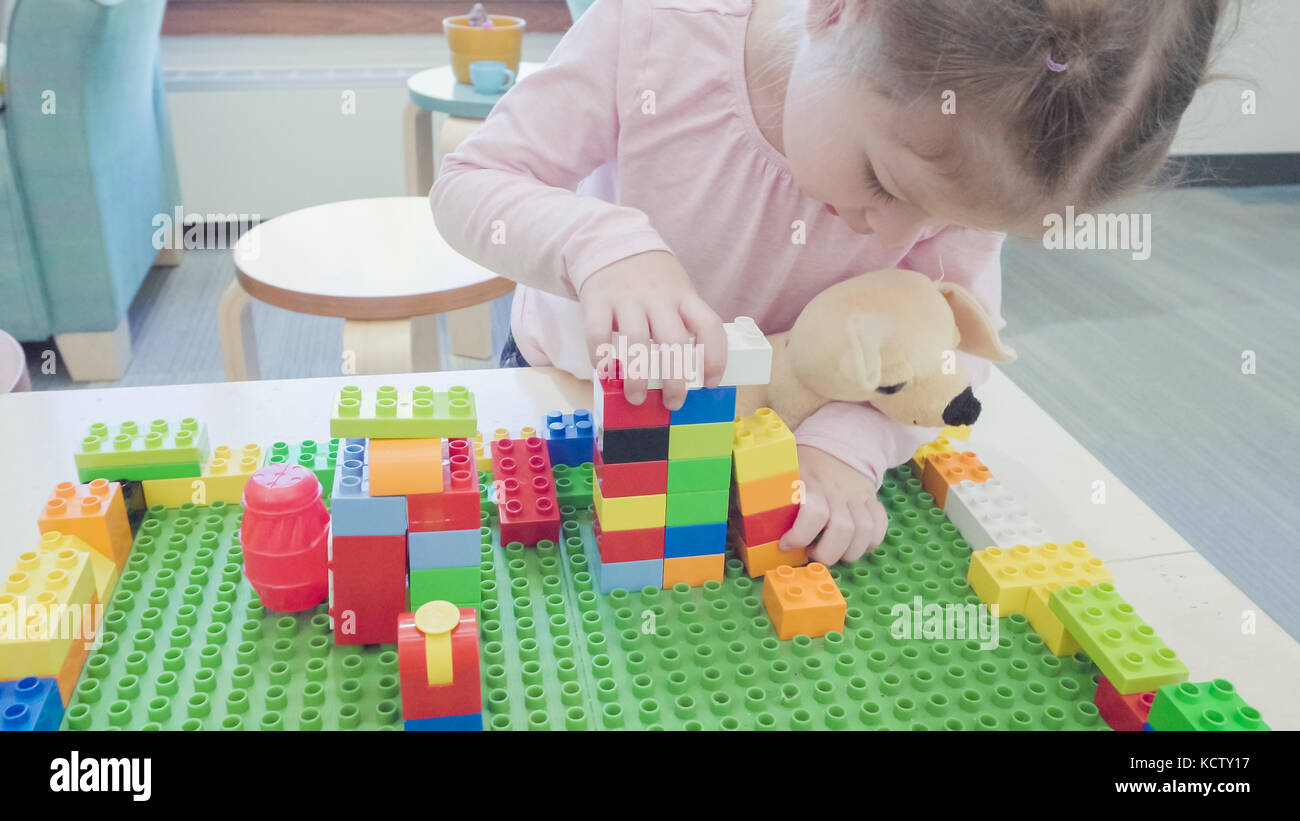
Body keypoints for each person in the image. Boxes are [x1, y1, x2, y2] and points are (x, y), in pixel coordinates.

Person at [431, 0, 1232, 564]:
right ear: (835, 8)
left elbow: (946, 355)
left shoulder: (949, 156)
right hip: (570, 394)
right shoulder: (654, 31)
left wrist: (848, 444)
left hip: (776, 442)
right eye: (885, 181)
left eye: (947, 222)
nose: (896, 240)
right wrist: (597, 243)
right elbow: (471, 182)